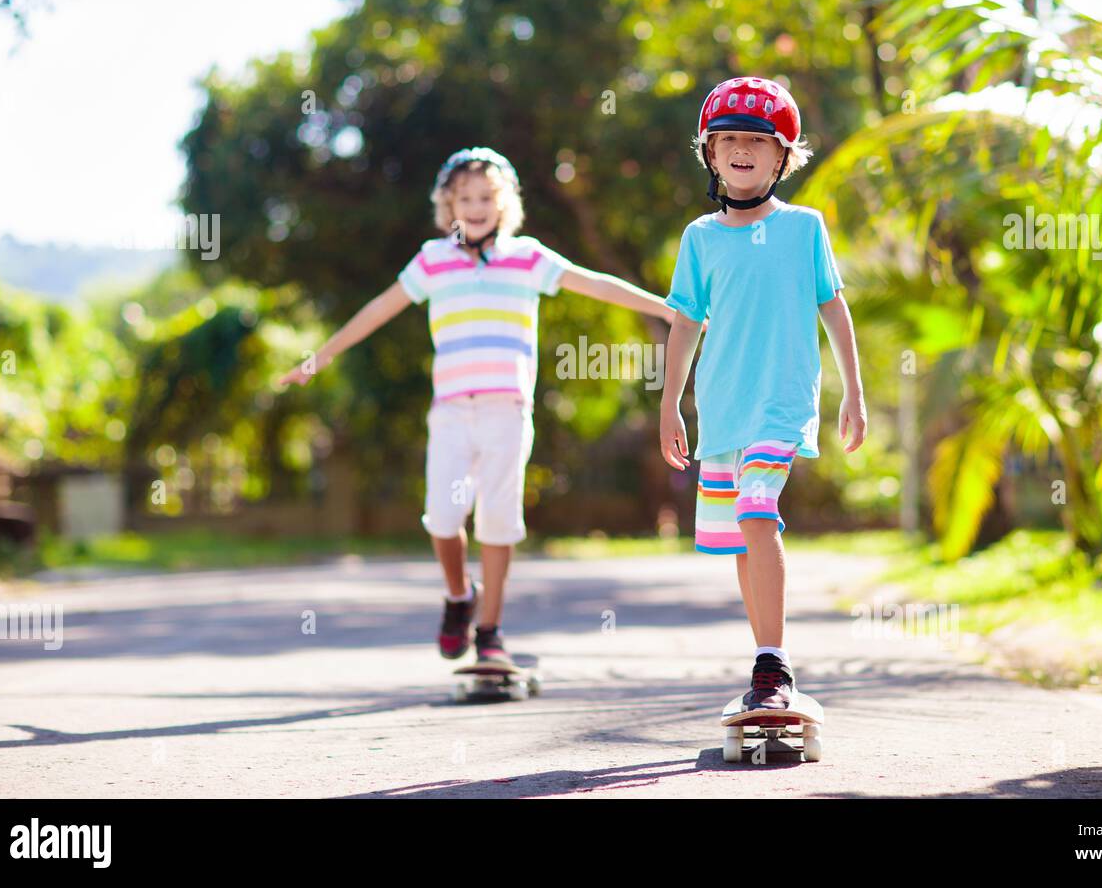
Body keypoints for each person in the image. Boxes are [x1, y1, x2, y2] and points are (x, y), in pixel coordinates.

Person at [279, 147, 675, 664]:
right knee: (443, 519)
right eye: (464, 197)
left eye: (486, 196)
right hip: (451, 411)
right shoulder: (432, 260)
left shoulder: (528, 257)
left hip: (506, 410)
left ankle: (489, 630)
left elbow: (595, 283)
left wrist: (668, 308)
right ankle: (458, 597)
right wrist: (319, 358)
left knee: (498, 520)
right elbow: (380, 308)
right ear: (448, 206)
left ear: (505, 202)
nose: (476, 205)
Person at [658, 78, 867, 710]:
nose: (742, 150)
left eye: (758, 140)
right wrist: (670, 403)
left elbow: (833, 307)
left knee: (756, 511)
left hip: (782, 406)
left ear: (783, 157)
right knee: (741, 544)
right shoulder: (700, 238)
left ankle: (775, 666)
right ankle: (763, 664)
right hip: (723, 412)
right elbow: (686, 323)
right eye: (729, 141)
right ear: (710, 155)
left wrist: (853, 390)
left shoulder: (804, 229)